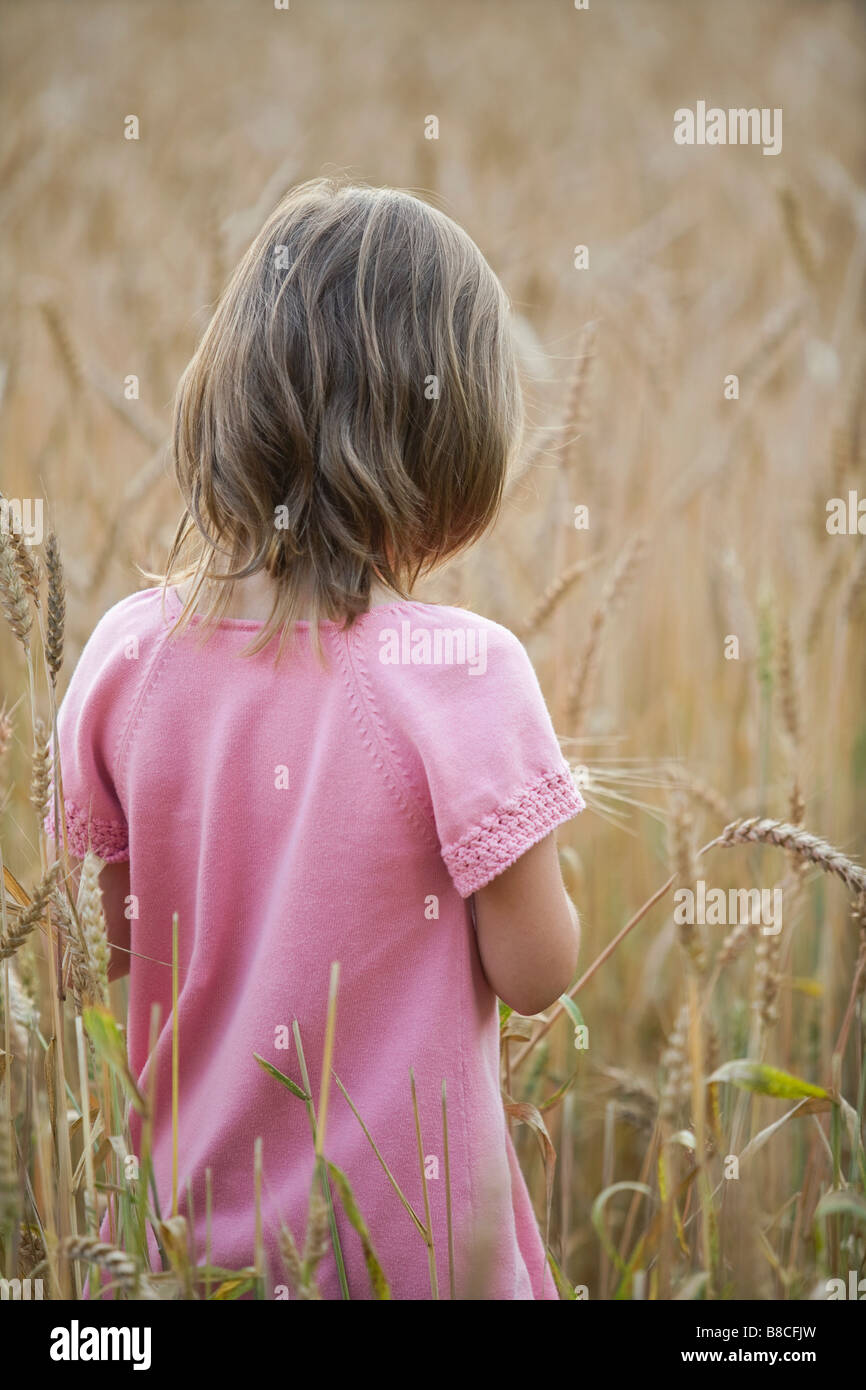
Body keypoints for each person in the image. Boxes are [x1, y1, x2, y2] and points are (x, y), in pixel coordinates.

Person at [47, 177, 584, 1300]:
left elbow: (85, 962)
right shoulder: (465, 673)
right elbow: (536, 972)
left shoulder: (122, 660)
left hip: (176, 1259)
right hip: (409, 1262)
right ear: (452, 440)